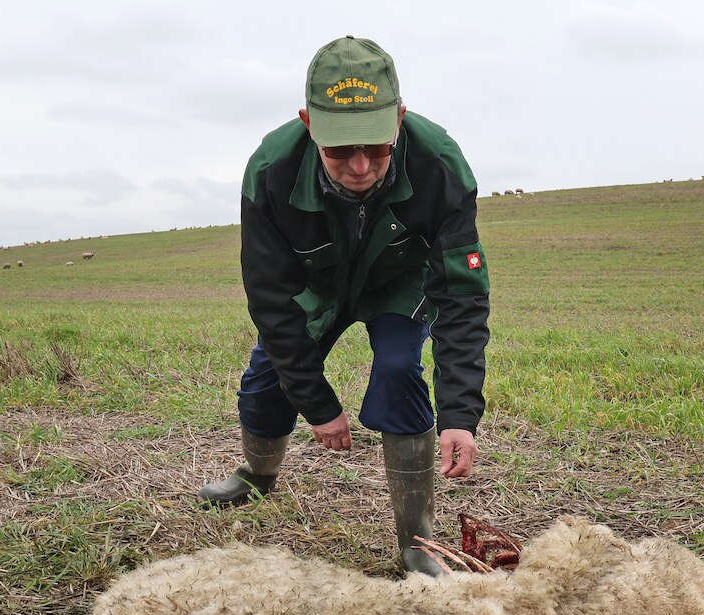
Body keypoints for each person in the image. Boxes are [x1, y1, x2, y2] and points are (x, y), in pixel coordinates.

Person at [199, 35, 491, 577]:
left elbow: (462, 295)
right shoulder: (271, 169)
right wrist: (319, 404)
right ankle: (257, 475)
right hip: (319, 282)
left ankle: (418, 544)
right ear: (309, 125)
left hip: (399, 282)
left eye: (377, 148)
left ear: (399, 120)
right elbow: (270, 300)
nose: (360, 166)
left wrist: (460, 413)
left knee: (401, 370)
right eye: (339, 150)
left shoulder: (440, 163)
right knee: (266, 379)